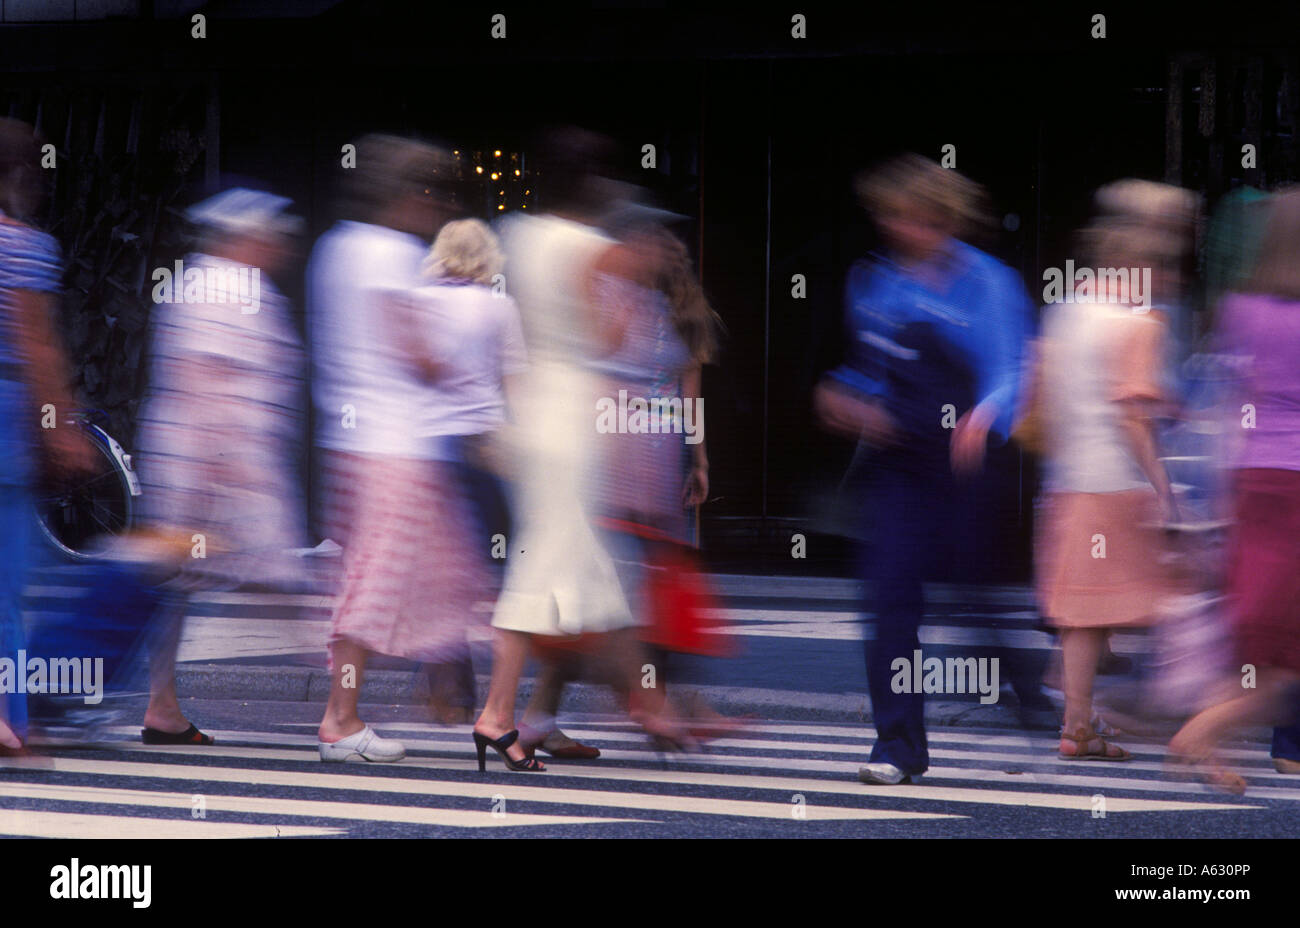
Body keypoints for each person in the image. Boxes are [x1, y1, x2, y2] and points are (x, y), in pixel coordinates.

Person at [471, 128, 688, 772]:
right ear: (595, 185)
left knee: (565, 572)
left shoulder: (517, 236)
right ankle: (499, 715)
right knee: (545, 572)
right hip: (572, 419)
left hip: (528, 410)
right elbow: (607, 338)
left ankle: (545, 712)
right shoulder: (596, 248)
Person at [814, 153, 1031, 785]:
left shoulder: (988, 282)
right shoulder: (875, 281)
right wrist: (844, 395)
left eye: (915, 219)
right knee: (888, 599)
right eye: (890, 217)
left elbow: (1011, 367)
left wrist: (985, 417)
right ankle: (898, 745)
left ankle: (1027, 691)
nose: (900, 229)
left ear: (943, 220)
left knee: (974, 599)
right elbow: (869, 367)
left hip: (964, 459)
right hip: (898, 464)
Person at [309, 135, 474, 763]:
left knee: (422, 577)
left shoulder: (336, 245)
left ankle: (446, 694)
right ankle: (340, 719)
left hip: (354, 443)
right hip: (395, 448)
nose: (436, 209)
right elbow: (421, 355)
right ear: (407, 194)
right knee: (375, 585)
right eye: (432, 192)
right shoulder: (394, 252)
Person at [132, 186, 308, 745]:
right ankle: (340, 706)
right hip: (222, 465)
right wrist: (224, 469)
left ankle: (161, 705)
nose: (279, 247)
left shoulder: (210, 282)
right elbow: (203, 377)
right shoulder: (224, 284)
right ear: (246, 237)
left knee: (176, 584)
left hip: (215, 460)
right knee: (281, 580)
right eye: (271, 236)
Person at [1032, 214, 1180, 762]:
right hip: (1116, 485)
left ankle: (1079, 724)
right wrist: (1164, 488)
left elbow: (1041, 402)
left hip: (1068, 483)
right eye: (1161, 267)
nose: (1166, 279)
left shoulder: (1064, 314)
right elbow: (1133, 417)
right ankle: (1192, 717)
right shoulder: (1136, 322)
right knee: (1180, 591)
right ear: (1140, 267)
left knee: (1083, 614)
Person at [1166, 188, 1300, 791]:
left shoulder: (1241, 309)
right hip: (1295, 487)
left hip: (1251, 481)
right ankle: (1200, 733)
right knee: (1281, 659)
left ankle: (1216, 748)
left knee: (1258, 644)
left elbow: (1228, 392)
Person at [403, 218, 528, 725]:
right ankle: (497, 704)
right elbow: (516, 385)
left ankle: (447, 687)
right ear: (487, 258)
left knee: (442, 572)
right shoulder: (499, 307)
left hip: (428, 449)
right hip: (484, 448)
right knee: (501, 575)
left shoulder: (418, 300)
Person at [0, 118, 97, 753]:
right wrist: (64, 433)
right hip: (7, 428)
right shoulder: (25, 247)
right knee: (8, 584)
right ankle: (6, 718)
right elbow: (38, 349)